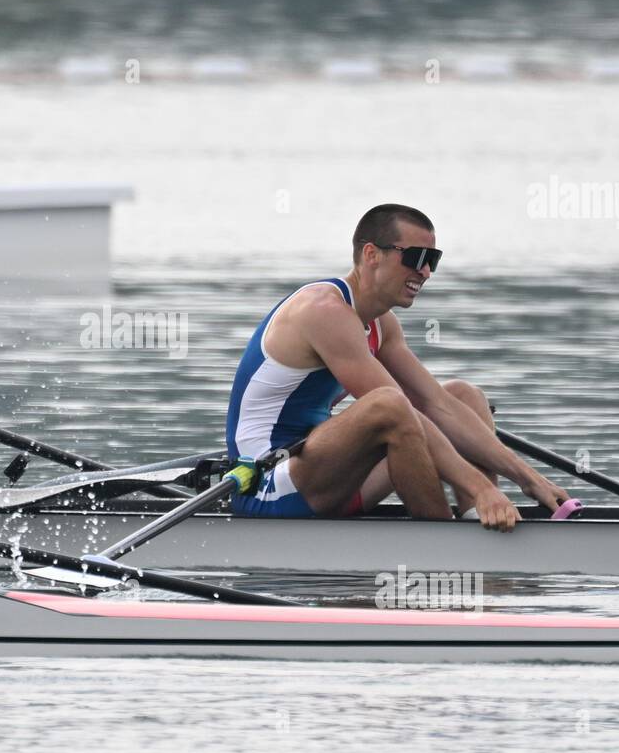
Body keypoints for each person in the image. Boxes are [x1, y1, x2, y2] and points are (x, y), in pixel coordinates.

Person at [225, 203, 571, 531]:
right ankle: (444, 542)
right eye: (415, 257)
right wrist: (483, 486)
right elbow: (399, 409)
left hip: (328, 478)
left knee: (463, 396)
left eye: (432, 259)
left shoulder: (382, 324)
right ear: (371, 254)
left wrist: (531, 480)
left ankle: (474, 520)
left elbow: (438, 405)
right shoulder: (323, 312)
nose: (424, 271)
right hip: (266, 485)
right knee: (389, 405)